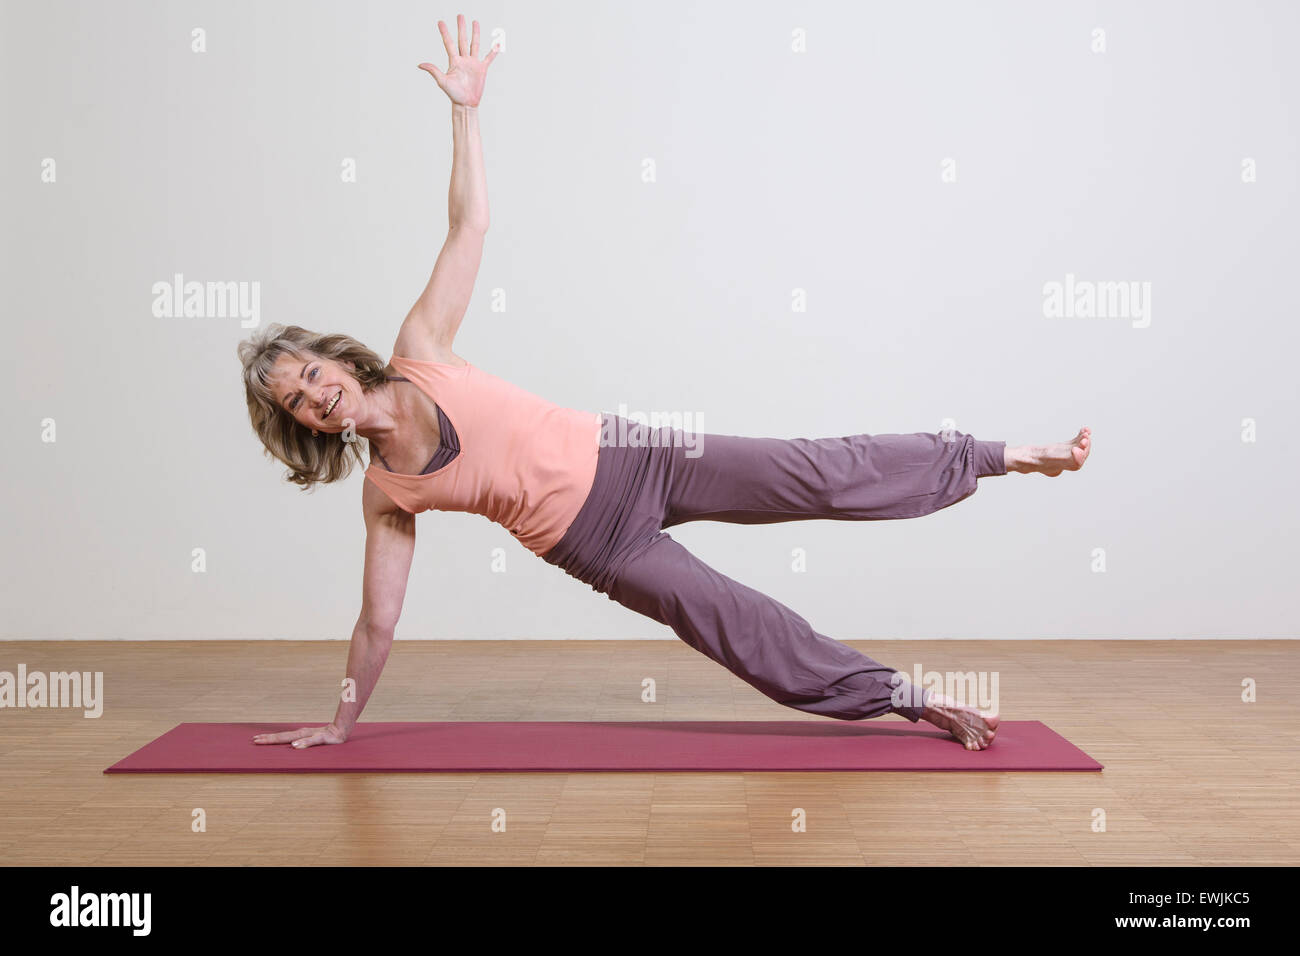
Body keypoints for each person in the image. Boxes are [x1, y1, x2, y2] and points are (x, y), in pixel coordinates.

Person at [239, 15, 1091, 753]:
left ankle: (1003, 454)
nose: (315, 394)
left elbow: (471, 222)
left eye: (312, 372)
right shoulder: (388, 494)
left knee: (813, 467)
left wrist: (464, 114)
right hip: (602, 547)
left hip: (638, 454)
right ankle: (907, 699)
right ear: (305, 426)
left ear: (339, 361)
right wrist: (343, 721)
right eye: (297, 402)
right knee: (737, 625)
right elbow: (377, 624)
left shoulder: (422, 345)